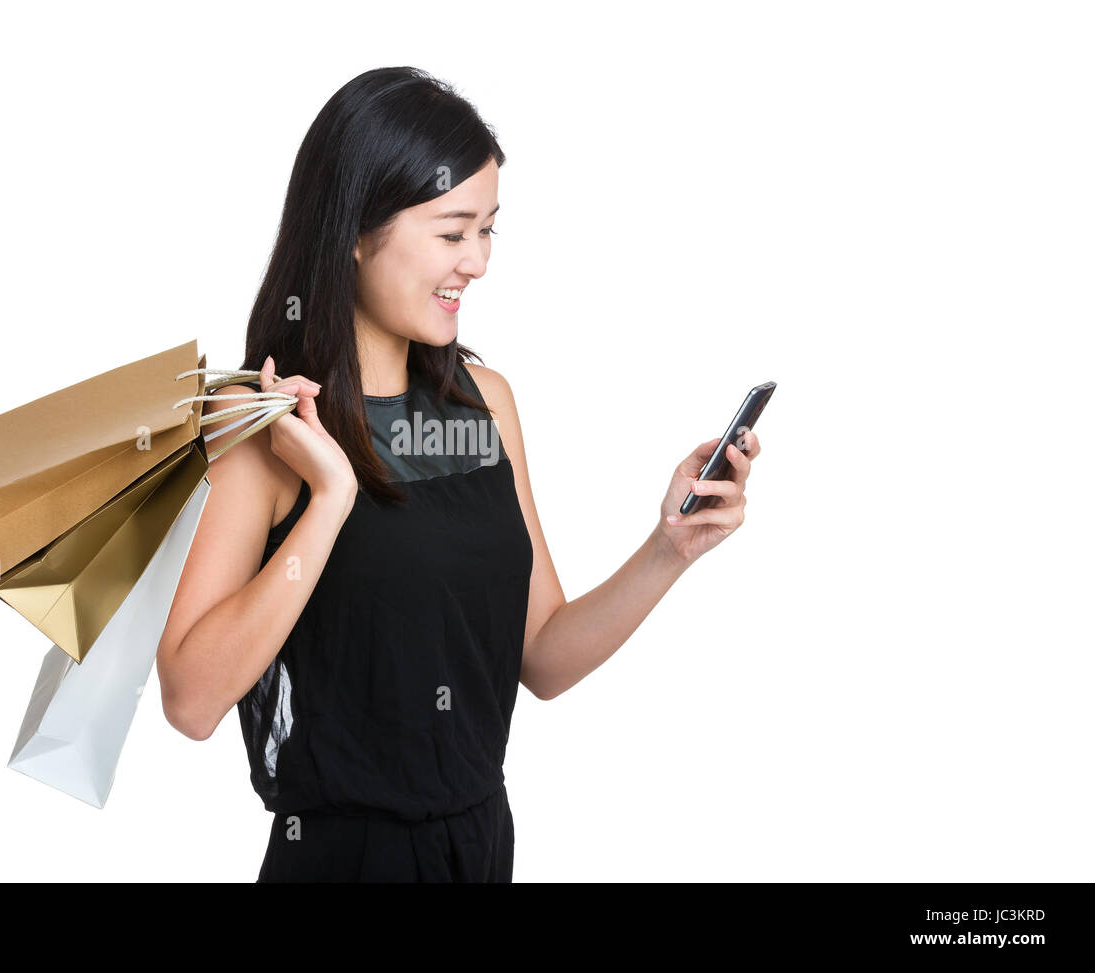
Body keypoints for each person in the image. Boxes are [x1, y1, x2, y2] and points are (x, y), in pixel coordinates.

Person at [154, 66, 762, 882]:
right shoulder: (265, 432)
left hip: (478, 850)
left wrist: (670, 547)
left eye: (489, 231)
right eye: (451, 232)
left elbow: (543, 654)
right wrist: (330, 500)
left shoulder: (487, 403)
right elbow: (190, 701)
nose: (476, 262)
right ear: (356, 231)